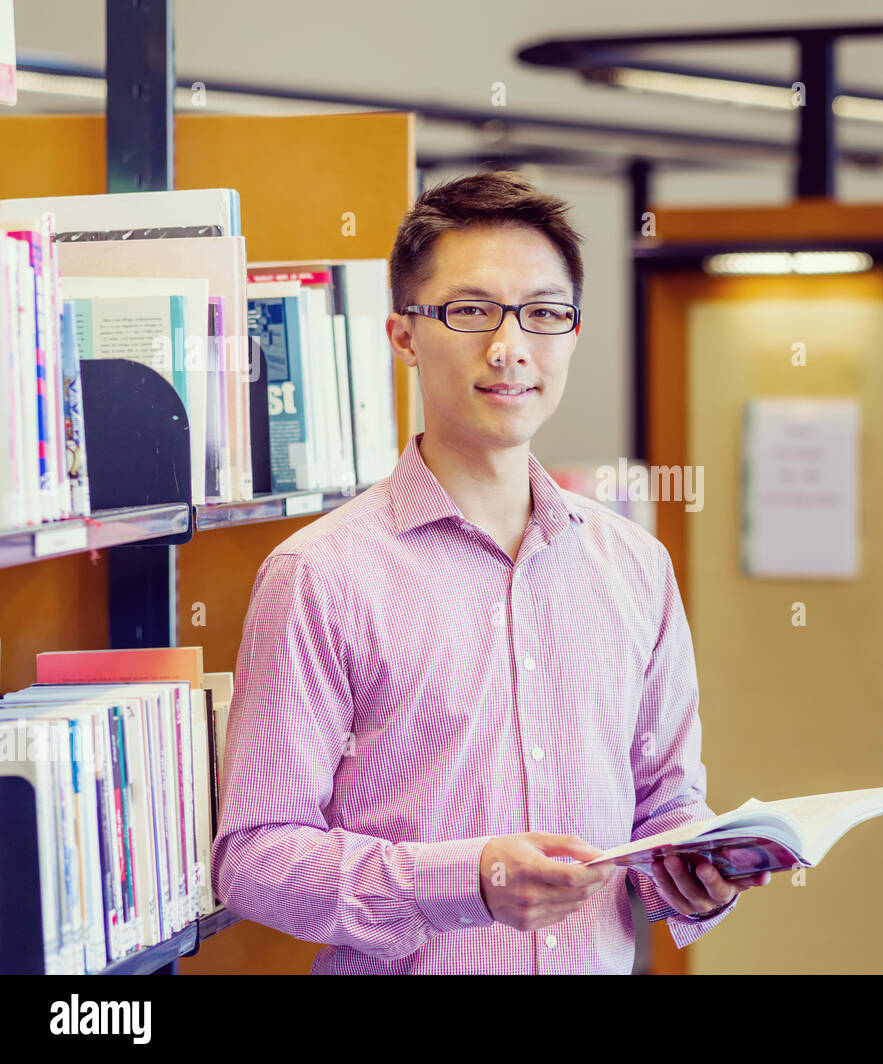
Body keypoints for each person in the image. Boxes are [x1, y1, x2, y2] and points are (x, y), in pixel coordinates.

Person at [210, 170, 770, 974]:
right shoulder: (319, 574)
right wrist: (464, 882)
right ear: (403, 335)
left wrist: (700, 876)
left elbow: (666, 806)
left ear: (573, 333)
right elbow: (255, 861)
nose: (510, 349)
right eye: (471, 312)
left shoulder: (636, 568)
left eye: (543, 314)